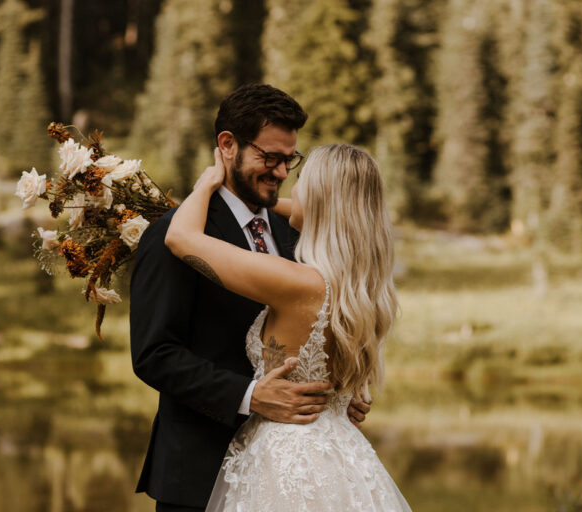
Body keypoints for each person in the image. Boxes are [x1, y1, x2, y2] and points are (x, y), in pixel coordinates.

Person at [129, 84, 372, 511]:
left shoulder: (296, 230)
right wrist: (248, 394)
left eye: (289, 160)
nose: (281, 172)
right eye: (270, 158)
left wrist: (343, 386)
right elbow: (155, 353)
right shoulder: (174, 234)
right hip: (199, 475)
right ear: (228, 145)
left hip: (296, 473)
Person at [164, 143, 412, 510]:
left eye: (299, 182)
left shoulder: (299, 283)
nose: (289, 190)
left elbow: (179, 237)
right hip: (339, 453)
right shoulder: (364, 287)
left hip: (287, 459)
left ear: (318, 198)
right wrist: (239, 194)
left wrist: (207, 184)